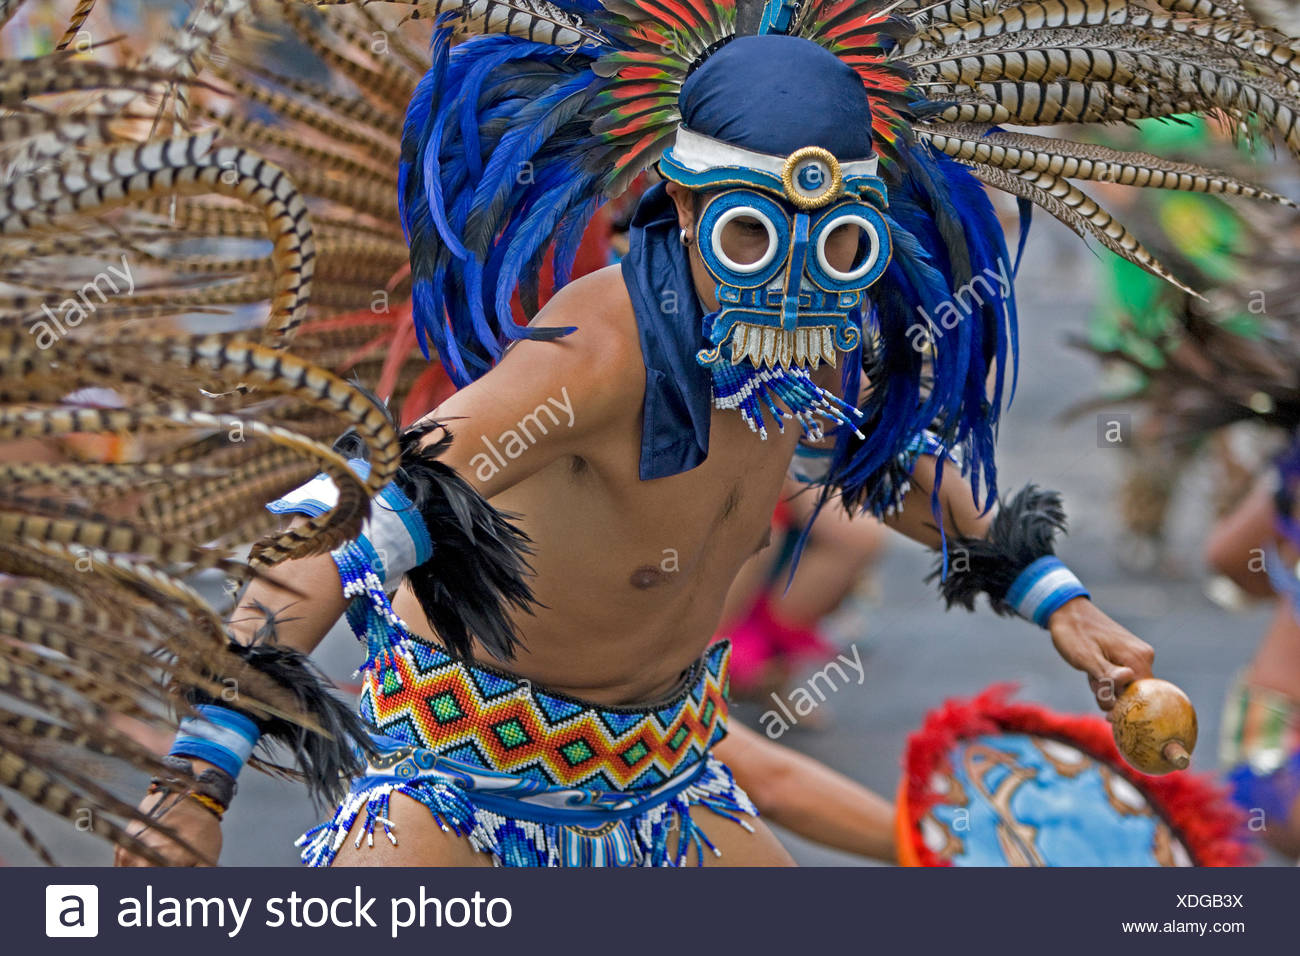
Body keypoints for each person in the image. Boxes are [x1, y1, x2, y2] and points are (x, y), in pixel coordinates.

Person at [9, 0, 1293, 868]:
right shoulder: (602, 344)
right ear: (683, 203)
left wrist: (1060, 601)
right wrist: (195, 783)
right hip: (465, 789)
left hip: (667, 781)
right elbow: (338, 526)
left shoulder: (805, 333)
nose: (796, 279)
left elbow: (880, 466)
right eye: (752, 234)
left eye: (836, 242)